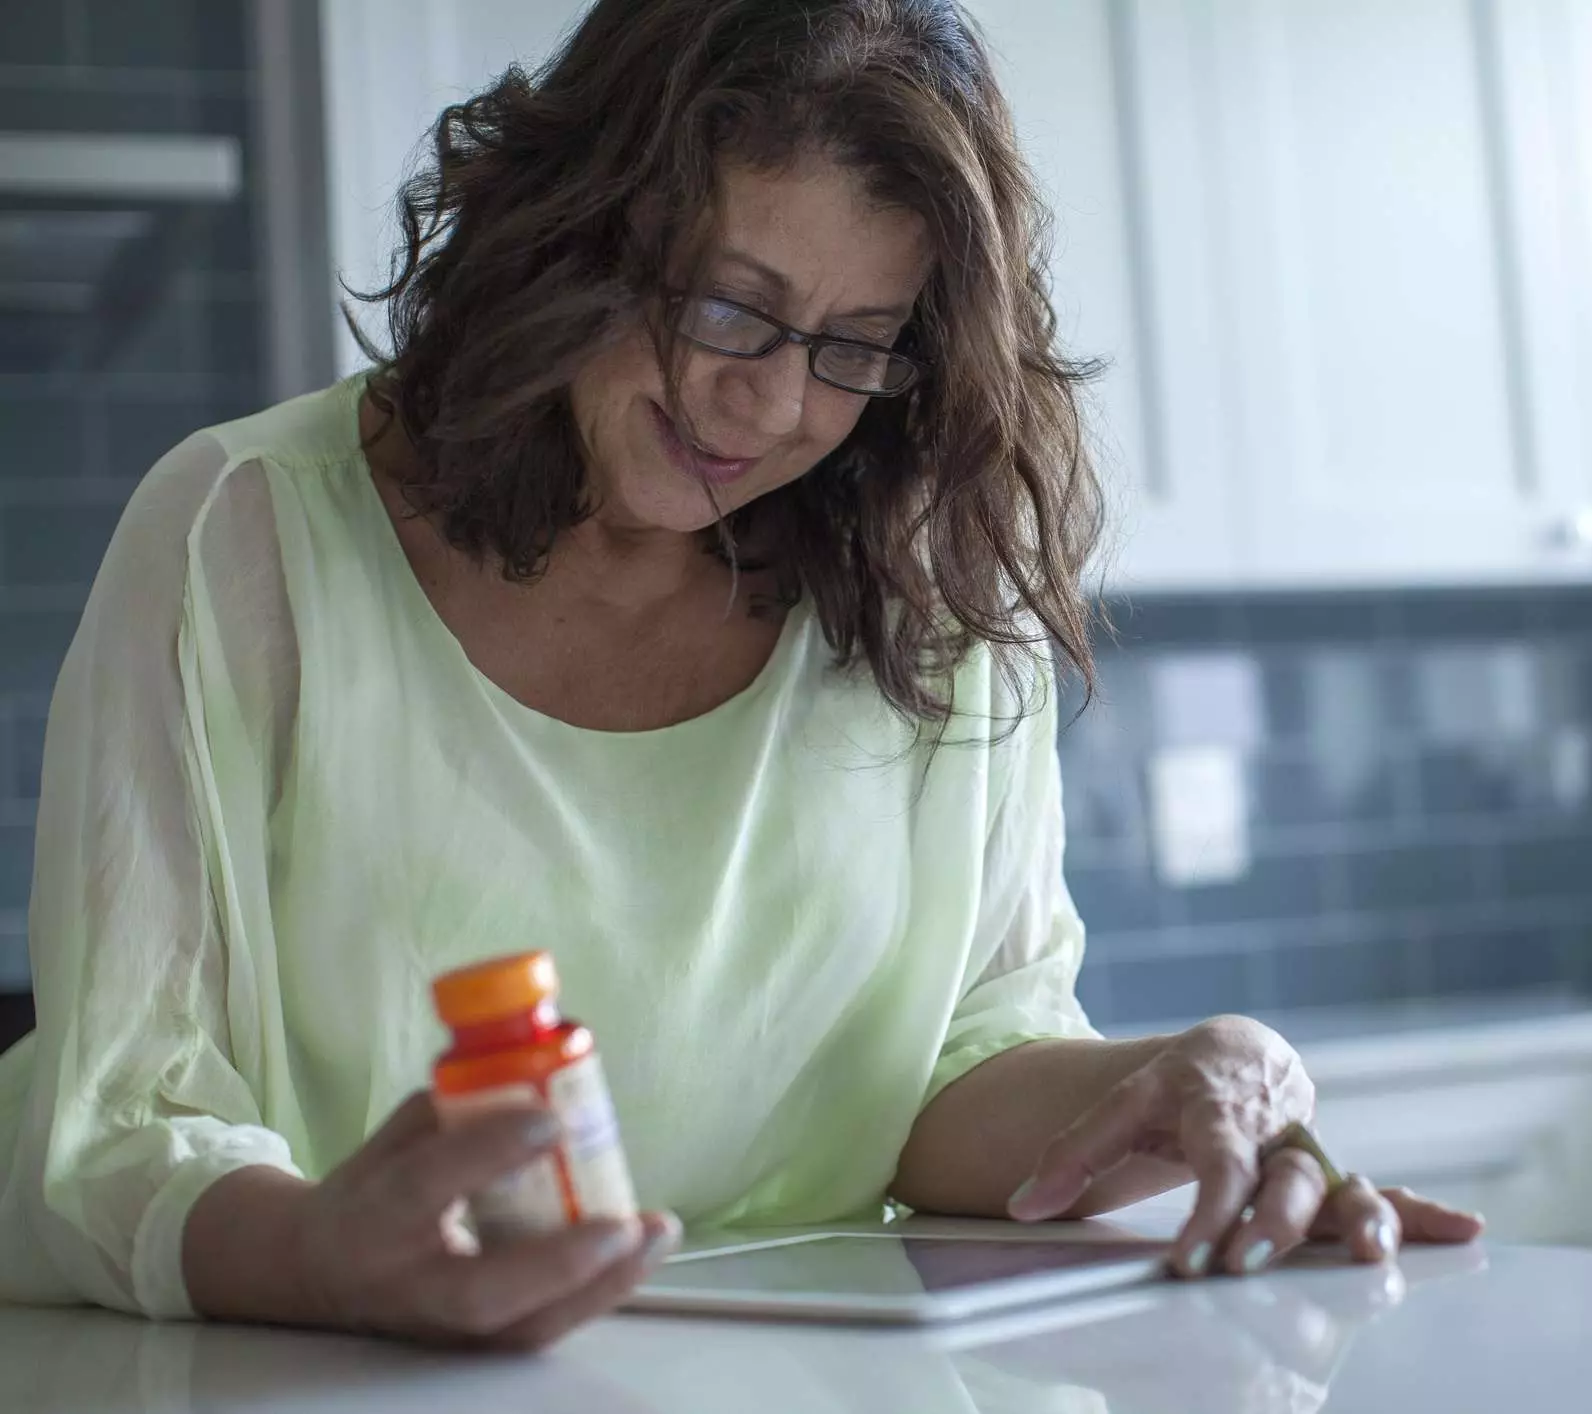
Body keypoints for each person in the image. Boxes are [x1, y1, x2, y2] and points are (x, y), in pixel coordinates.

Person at [0, 0, 1479, 1348]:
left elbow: (956, 1066)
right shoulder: (243, 535)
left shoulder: (931, 600)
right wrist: (328, 1255)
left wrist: (1185, 1077)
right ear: (574, 234)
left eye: (853, 346)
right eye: (725, 305)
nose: (766, 405)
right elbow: (121, 1117)